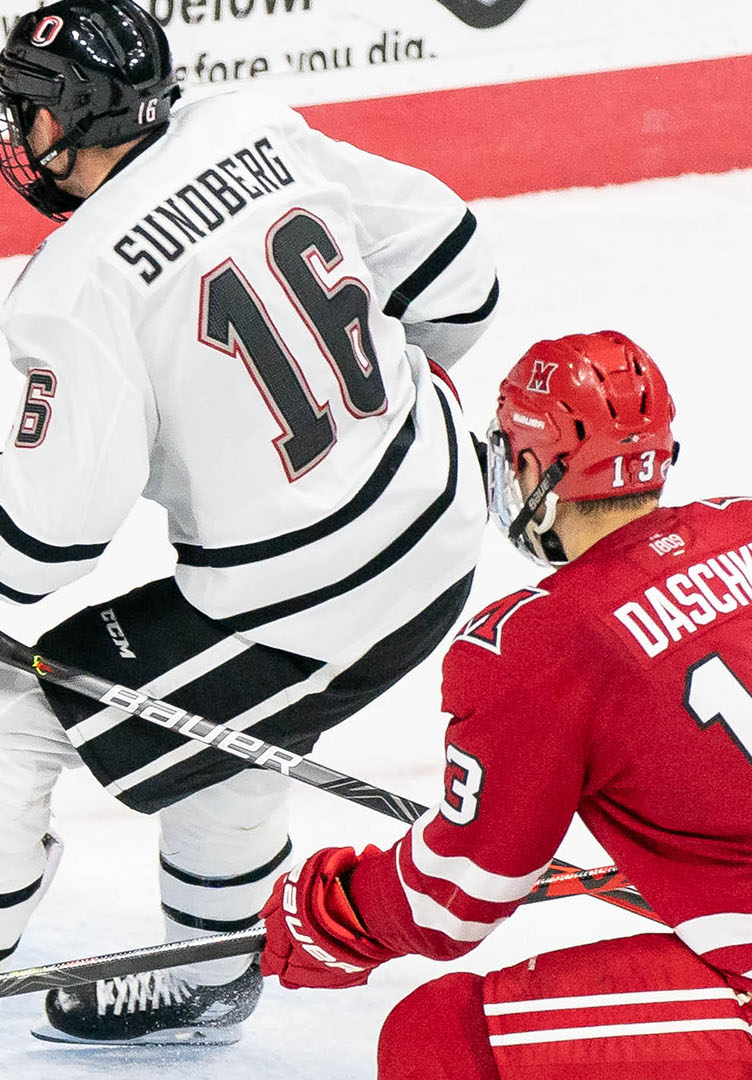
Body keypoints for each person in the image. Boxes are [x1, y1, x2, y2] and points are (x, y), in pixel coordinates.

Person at [0, 2, 500, 1076]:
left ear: (65, 118)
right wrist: (366, 439)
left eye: (27, 105)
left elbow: (31, 551)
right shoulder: (253, 124)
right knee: (218, 700)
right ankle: (211, 969)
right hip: (448, 516)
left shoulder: (75, 285)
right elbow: (460, 276)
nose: (15, 126)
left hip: (321, 599)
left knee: (0, 732)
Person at [260, 331, 752, 1080]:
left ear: (528, 464)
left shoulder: (535, 640)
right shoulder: (742, 523)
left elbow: (454, 901)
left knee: (441, 1040)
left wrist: (337, 913)